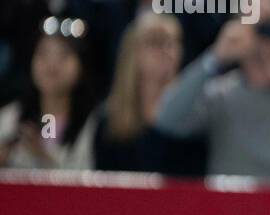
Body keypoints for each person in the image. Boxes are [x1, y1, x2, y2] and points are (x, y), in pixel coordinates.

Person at [153, 12, 270, 183]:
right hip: (231, 206)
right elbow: (166, 119)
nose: (267, 41)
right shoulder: (221, 94)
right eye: (257, 26)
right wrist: (214, 58)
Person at [94, 10, 204, 176]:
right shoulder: (108, 121)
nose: (166, 50)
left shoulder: (192, 115)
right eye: (155, 41)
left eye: (172, 42)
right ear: (133, 52)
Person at [0, 27, 99, 171]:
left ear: (82, 65)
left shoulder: (94, 123)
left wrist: (43, 157)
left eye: (64, 55)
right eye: (43, 53)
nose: (51, 64)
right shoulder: (9, 118)